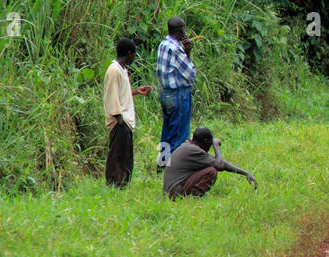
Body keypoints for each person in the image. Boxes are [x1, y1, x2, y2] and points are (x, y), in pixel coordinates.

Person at [103, 38, 151, 187]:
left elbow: (121, 93)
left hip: (125, 120)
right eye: (134, 54)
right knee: (117, 155)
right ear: (129, 54)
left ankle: (123, 183)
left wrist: (136, 91)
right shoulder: (113, 70)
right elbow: (111, 95)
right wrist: (118, 118)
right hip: (119, 119)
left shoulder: (122, 70)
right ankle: (114, 183)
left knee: (125, 155)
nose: (134, 58)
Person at [162, 126, 257, 199]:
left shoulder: (188, 147)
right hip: (174, 192)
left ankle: (188, 196)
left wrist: (245, 173)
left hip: (171, 190)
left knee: (209, 167)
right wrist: (215, 145)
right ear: (205, 142)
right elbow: (220, 164)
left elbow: (218, 162)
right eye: (209, 144)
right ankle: (192, 198)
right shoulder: (193, 151)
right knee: (211, 171)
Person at [156, 16, 196, 169]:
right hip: (178, 94)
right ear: (180, 31)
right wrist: (188, 52)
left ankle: (162, 163)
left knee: (168, 130)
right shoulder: (176, 48)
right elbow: (190, 73)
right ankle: (173, 169)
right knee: (179, 133)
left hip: (166, 93)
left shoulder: (163, 45)